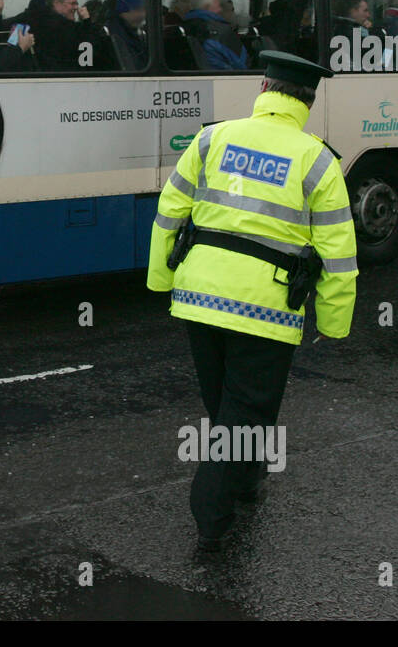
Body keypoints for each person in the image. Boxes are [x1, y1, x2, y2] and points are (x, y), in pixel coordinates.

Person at [146, 51, 357, 552]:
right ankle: (211, 512)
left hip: (199, 297)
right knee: (245, 410)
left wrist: (161, 280)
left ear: (264, 87)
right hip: (264, 307)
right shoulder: (318, 160)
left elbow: (170, 211)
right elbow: (338, 255)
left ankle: (245, 480)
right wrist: (332, 321)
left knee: (225, 403)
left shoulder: (211, 138)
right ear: (309, 100)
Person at [31, 0, 99, 71]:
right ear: (57, 4)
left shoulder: (36, 23)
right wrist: (87, 22)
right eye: (72, 3)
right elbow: (89, 56)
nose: (76, 7)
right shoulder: (66, 29)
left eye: (76, 4)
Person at [182, 0, 248, 70]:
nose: (220, 10)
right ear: (206, 7)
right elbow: (241, 65)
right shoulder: (221, 31)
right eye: (217, 6)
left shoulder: (185, 26)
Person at [108, 0, 148, 70]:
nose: (142, 15)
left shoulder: (133, 32)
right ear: (125, 10)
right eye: (138, 10)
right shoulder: (115, 34)